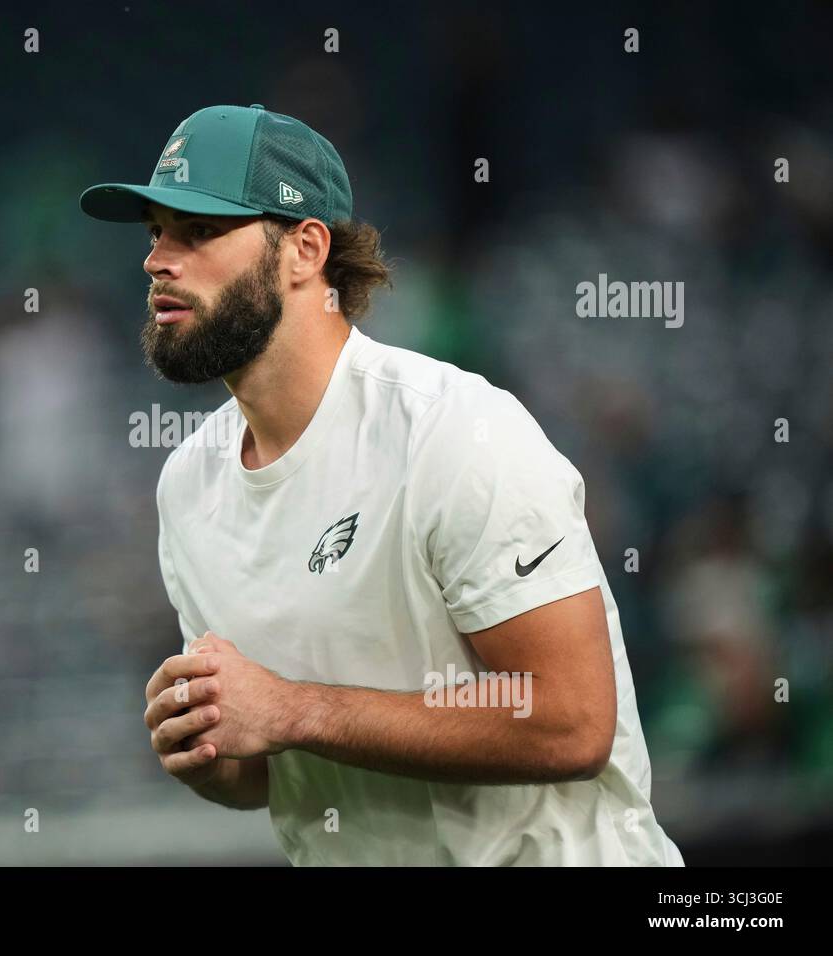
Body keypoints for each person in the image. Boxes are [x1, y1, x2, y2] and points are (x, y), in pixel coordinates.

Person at [80, 104, 683, 865]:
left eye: (198, 231)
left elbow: (573, 721)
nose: (158, 260)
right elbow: (269, 768)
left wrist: (293, 711)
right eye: (155, 233)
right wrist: (214, 752)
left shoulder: (452, 431)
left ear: (304, 249)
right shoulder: (188, 485)